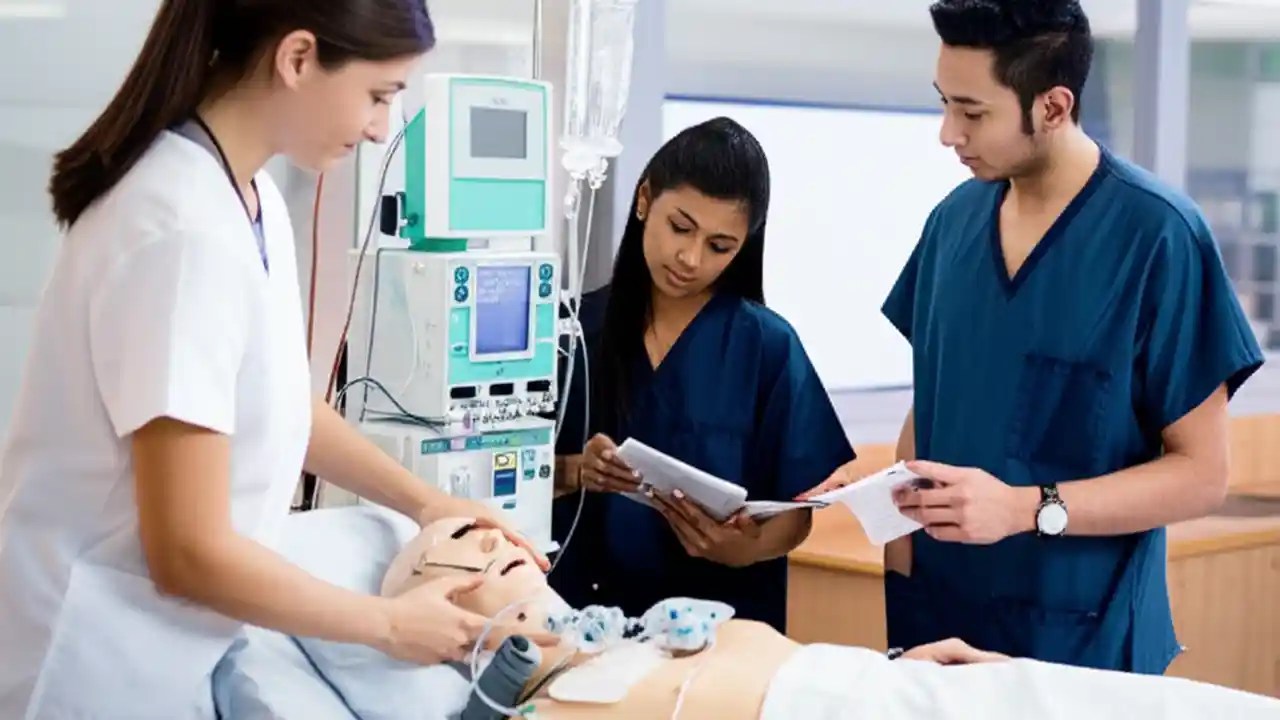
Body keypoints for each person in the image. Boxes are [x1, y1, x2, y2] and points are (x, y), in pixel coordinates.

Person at [0, 1, 547, 717]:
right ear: (297, 58)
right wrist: (386, 624)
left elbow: (281, 398)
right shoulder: (180, 229)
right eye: (378, 96)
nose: (382, 127)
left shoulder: (246, 198)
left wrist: (427, 502)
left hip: (162, 650)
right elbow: (186, 550)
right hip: (85, 662)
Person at [799, 0, 1266, 675]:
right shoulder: (951, 224)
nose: (947, 133)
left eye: (973, 111)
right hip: (936, 626)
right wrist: (897, 570)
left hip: (1081, 647)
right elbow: (933, 401)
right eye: (944, 103)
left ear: (1052, 106)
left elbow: (1202, 476)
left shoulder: (1157, 236)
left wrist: (1024, 509)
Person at [379, 516, 1280, 719]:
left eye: (505, 536)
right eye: (462, 543)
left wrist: (903, 661)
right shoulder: (532, 705)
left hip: (896, 684)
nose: (500, 541)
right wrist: (507, 659)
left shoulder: (636, 632)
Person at [549, 117, 856, 631]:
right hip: (581, 621)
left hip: (720, 630)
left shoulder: (767, 347)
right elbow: (504, 478)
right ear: (645, 199)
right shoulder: (570, 333)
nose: (690, 259)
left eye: (720, 246)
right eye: (680, 227)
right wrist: (579, 470)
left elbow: (794, 512)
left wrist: (744, 547)